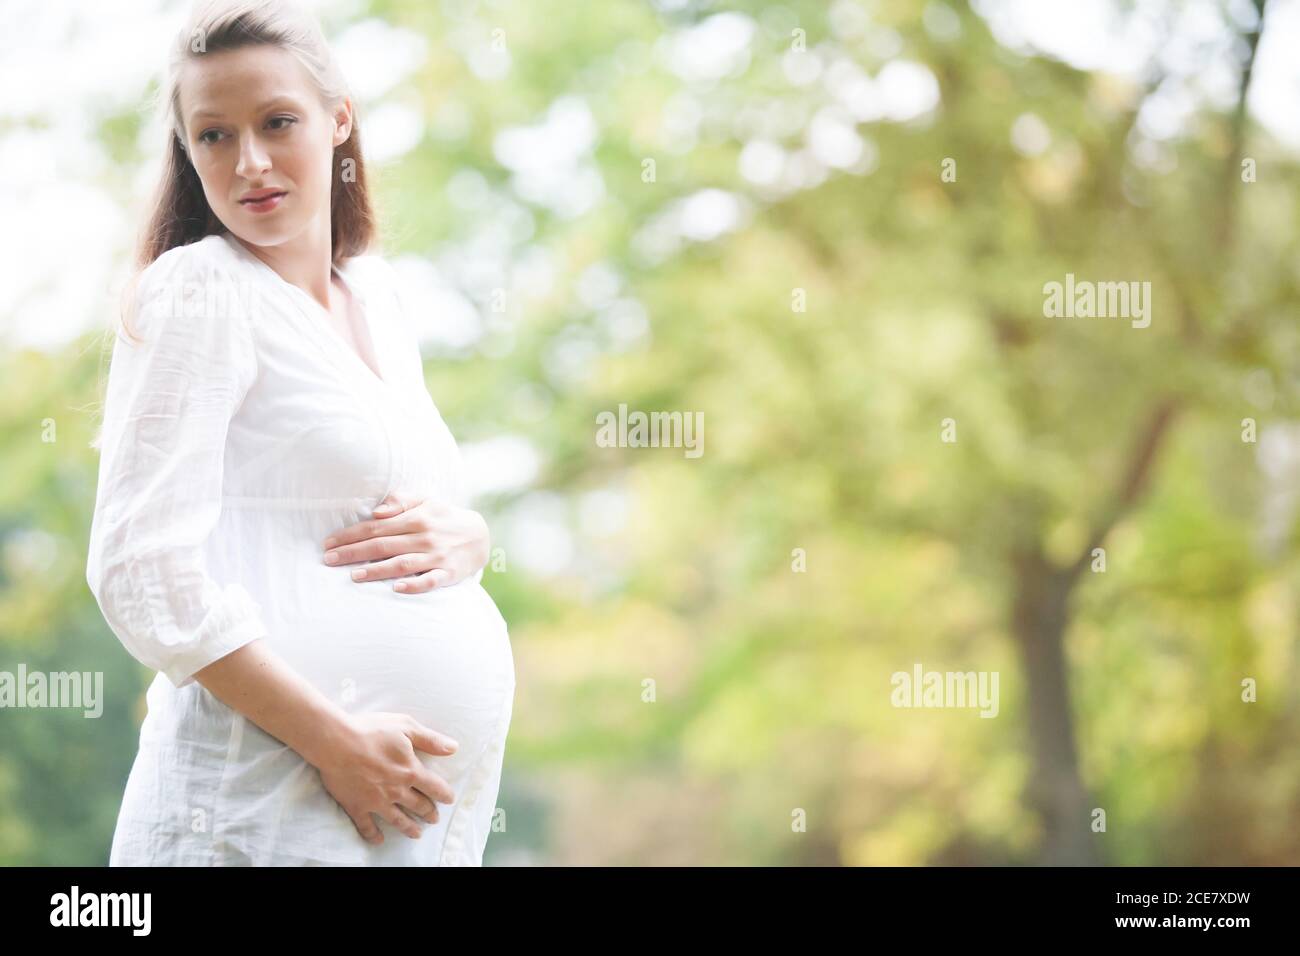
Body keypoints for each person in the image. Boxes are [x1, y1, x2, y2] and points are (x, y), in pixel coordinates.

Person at [84, 0, 515, 866]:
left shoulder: (380, 298)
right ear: (188, 151)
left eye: (277, 122)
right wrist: (334, 741)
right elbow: (138, 569)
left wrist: (470, 536)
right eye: (213, 136)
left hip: (402, 832)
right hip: (258, 811)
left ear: (338, 119)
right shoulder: (201, 290)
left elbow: (392, 505)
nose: (249, 162)